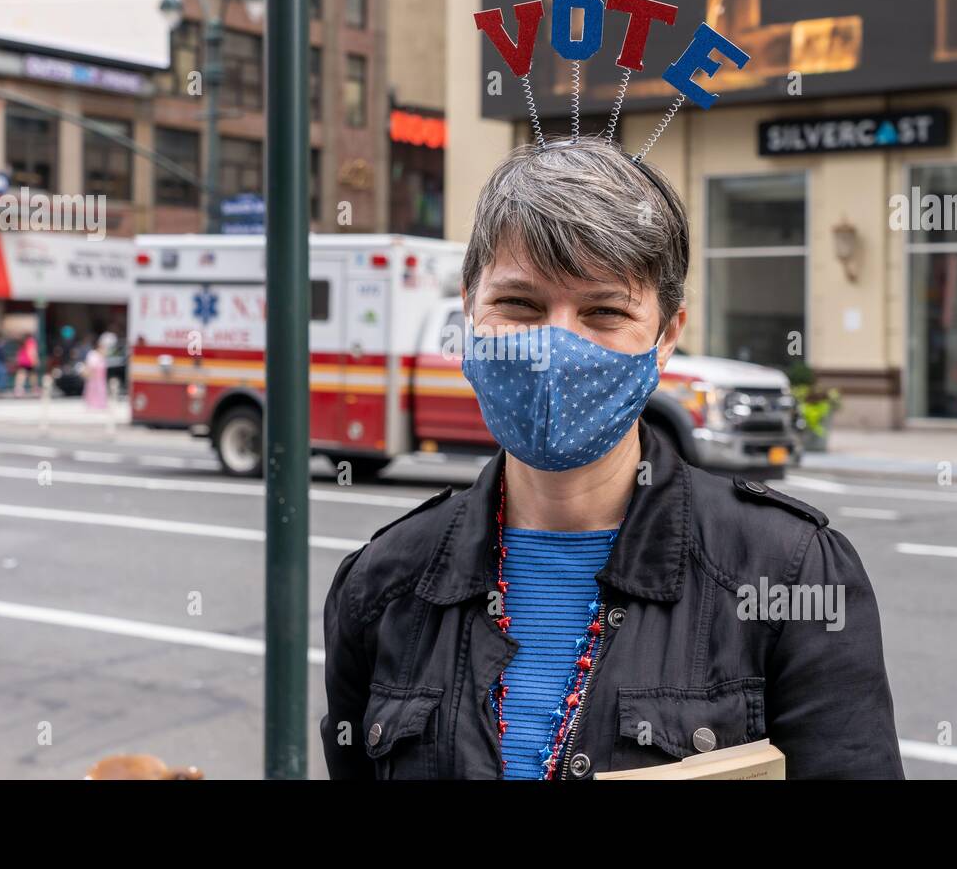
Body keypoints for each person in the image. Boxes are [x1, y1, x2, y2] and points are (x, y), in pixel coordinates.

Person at [320, 136, 903, 780]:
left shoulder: (791, 574)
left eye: (603, 311)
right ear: (469, 305)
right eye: (520, 304)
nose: (555, 345)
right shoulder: (380, 586)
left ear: (666, 336)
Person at [82, 332, 116, 410]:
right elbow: (89, 369)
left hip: (101, 385)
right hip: (93, 385)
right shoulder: (92, 355)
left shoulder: (103, 357)